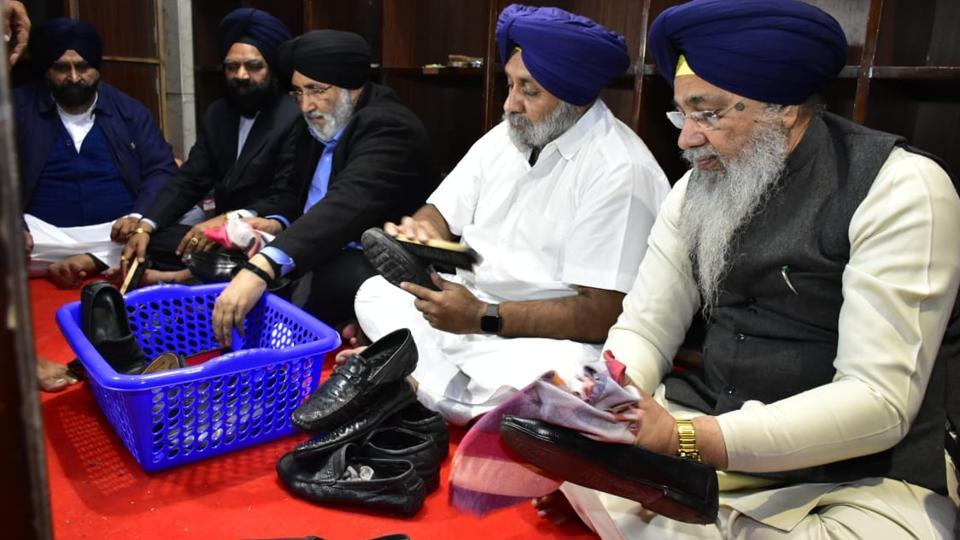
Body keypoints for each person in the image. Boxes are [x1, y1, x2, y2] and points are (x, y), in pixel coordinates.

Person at [547, 1, 960, 538]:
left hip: (854, 474)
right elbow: (646, 324)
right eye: (683, 114)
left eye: (708, 113)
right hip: (711, 433)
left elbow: (877, 403)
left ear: (783, 106)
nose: (685, 138)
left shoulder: (902, 188)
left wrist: (687, 440)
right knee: (571, 450)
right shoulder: (696, 189)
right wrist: (610, 395)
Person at [347, 4, 671, 425]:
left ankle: (412, 382)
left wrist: (483, 317)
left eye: (528, 90)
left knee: (573, 382)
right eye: (510, 84)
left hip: (539, 336)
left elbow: (603, 312)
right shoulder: (507, 136)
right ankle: (438, 391)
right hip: (468, 311)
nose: (509, 104)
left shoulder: (620, 170)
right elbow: (439, 211)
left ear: (573, 97)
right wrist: (423, 230)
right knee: (374, 292)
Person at [210, 29, 439, 337]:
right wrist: (276, 224)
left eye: (316, 90)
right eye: (298, 92)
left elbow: (344, 205)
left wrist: (265, 265)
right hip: (315, 248)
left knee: (309, 274)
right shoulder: (318, 123)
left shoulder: (389, 126)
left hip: (367, 264)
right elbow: (294, 194)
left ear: (352, 89)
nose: (306, 105)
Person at [122, 8, 299, 280]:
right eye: (231, 67)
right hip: (217, 233)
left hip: (264, 229)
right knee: (155, 239)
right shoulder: (219, 113)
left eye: (253, 66)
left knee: (251, 254)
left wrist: (229, 221)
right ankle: (195, 272)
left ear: (273, 69)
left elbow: (286, 198)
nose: (240, 75)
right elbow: (190, 178)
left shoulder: (293, 116)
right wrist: (145, 226)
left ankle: (181, 277)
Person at [16, 18, 178, 289]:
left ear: (97, 67)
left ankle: (91, 258)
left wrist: (138, 217)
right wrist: (13, 224)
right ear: (46, 70)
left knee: (174, 231)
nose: (74, 77)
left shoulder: (130, 111)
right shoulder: (15, 109)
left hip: (115, 234)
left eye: (82, 67)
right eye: (61, 68)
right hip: (40, 236)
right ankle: (97, 260)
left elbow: (161, 169)